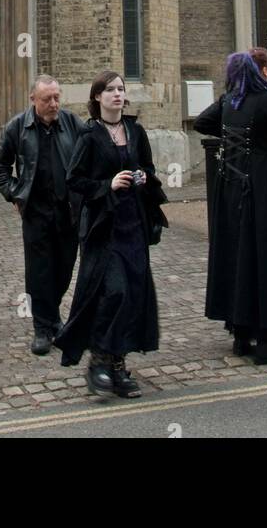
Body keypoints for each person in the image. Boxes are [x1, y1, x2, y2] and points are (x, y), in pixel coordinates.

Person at [54, 71, 167, 397]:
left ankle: (117, 366)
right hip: (104, 228)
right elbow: (74, 180)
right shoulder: (89, 135)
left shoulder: (135, 131)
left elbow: (149, 168)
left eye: (121, 89)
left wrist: (143, 177)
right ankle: (99, 361)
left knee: (132, 294)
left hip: (134, 224)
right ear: (98, 97)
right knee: (112, 292)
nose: (117, 94)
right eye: (110, 90)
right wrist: (108, 185)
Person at [194, 52, 267, 364]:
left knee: (239, 258)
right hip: (263, 189)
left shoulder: (230, 101)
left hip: (232, 191)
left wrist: (234, 137)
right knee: (266, 258)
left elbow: (202, 122)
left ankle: (241, 335)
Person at [0, 75, 84, 355]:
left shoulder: (71, 123)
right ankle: (43, 329)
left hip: (67, 209)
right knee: (39, 271)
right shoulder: (18, 127)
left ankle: (52, 317)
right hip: (36, 210)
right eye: (47, 99)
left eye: (57, 97)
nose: (54, 103)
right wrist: (13, 194)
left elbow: (89, 154)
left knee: (65, 266)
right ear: (34, 99)